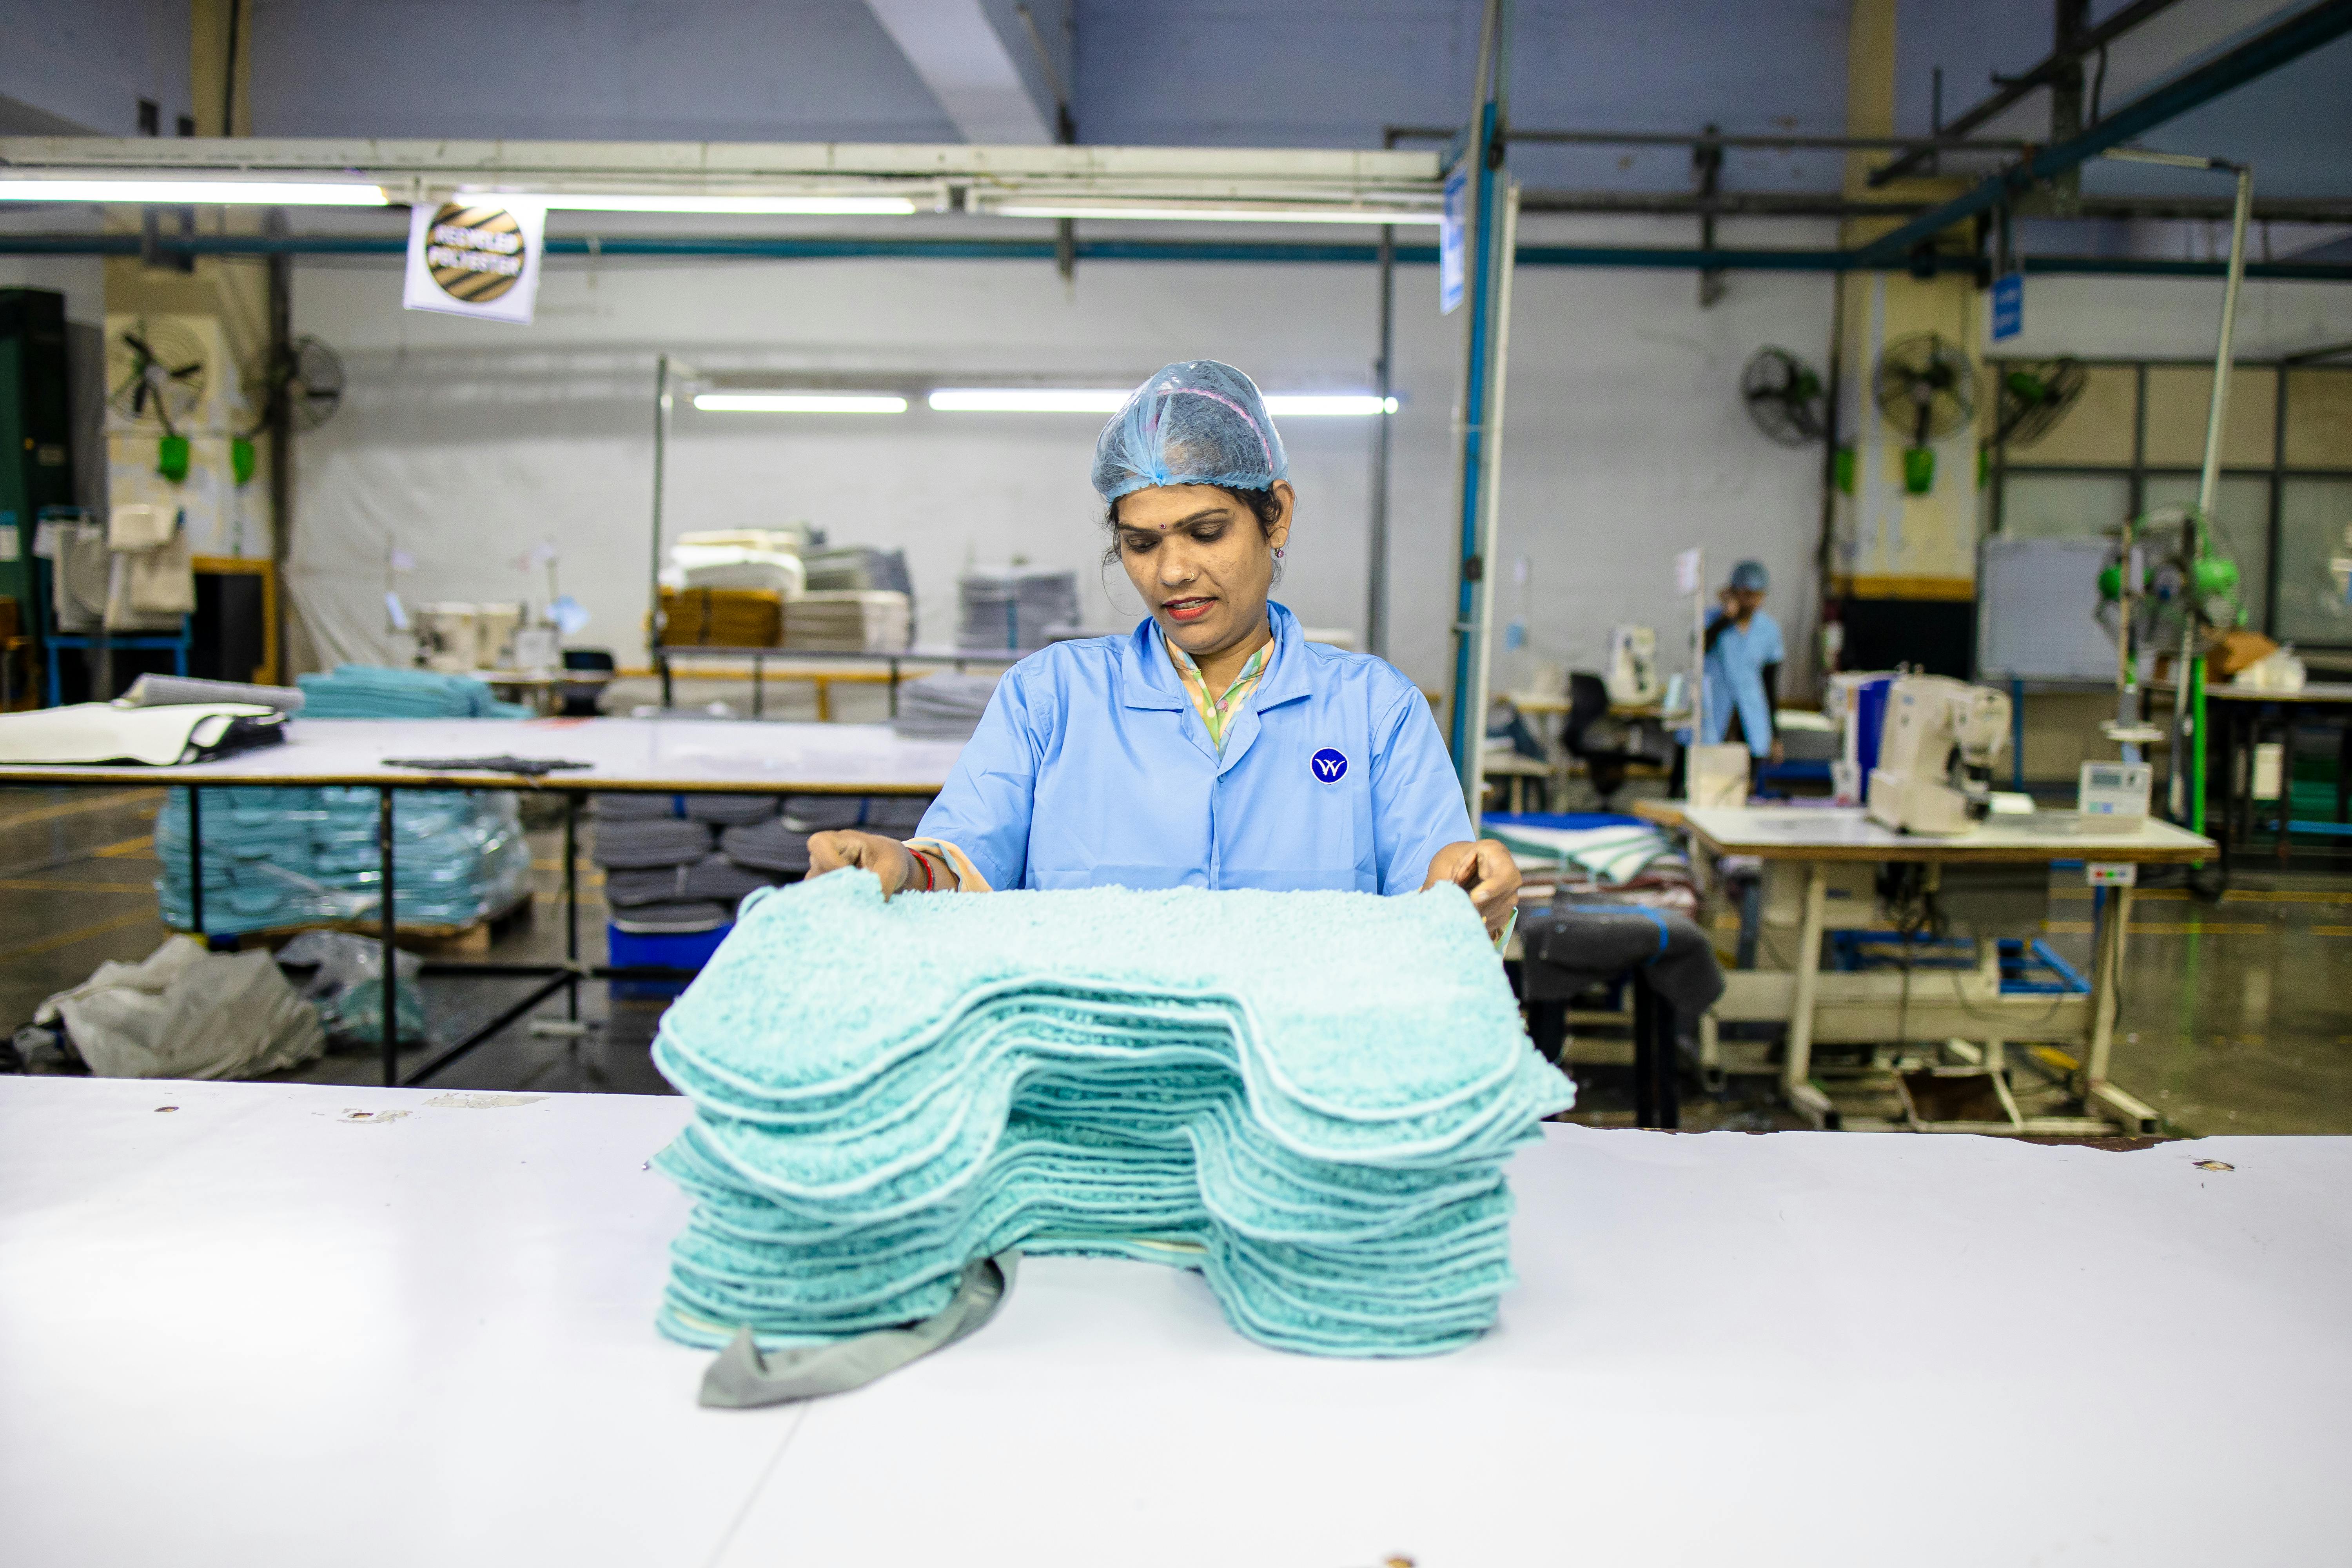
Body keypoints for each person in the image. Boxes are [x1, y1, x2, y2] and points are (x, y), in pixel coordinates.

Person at [807, 358, 1520, 934]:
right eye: (1141, 544)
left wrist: (1468, 892)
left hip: (1293, 1054)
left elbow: (1437, 904)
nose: (1172, 572)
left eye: (1206, 533)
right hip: (1095, 1053)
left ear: (1277, 516)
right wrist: (899, 868)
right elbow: (961, 864)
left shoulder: (1374, 710)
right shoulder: (1050, 697)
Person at [1702, 559, 1784, 765]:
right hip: (1712, 713)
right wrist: (1727, 618)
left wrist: (1774, 735)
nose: (1751, 602)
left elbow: (1770, 684)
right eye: (1745, 595)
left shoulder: (1768, 630)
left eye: (1757, 596)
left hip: (1749, 718)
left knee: (1746, 775)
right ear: (1732, 592)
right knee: (1702, 770)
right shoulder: (1712, 620)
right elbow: (1700, 649)